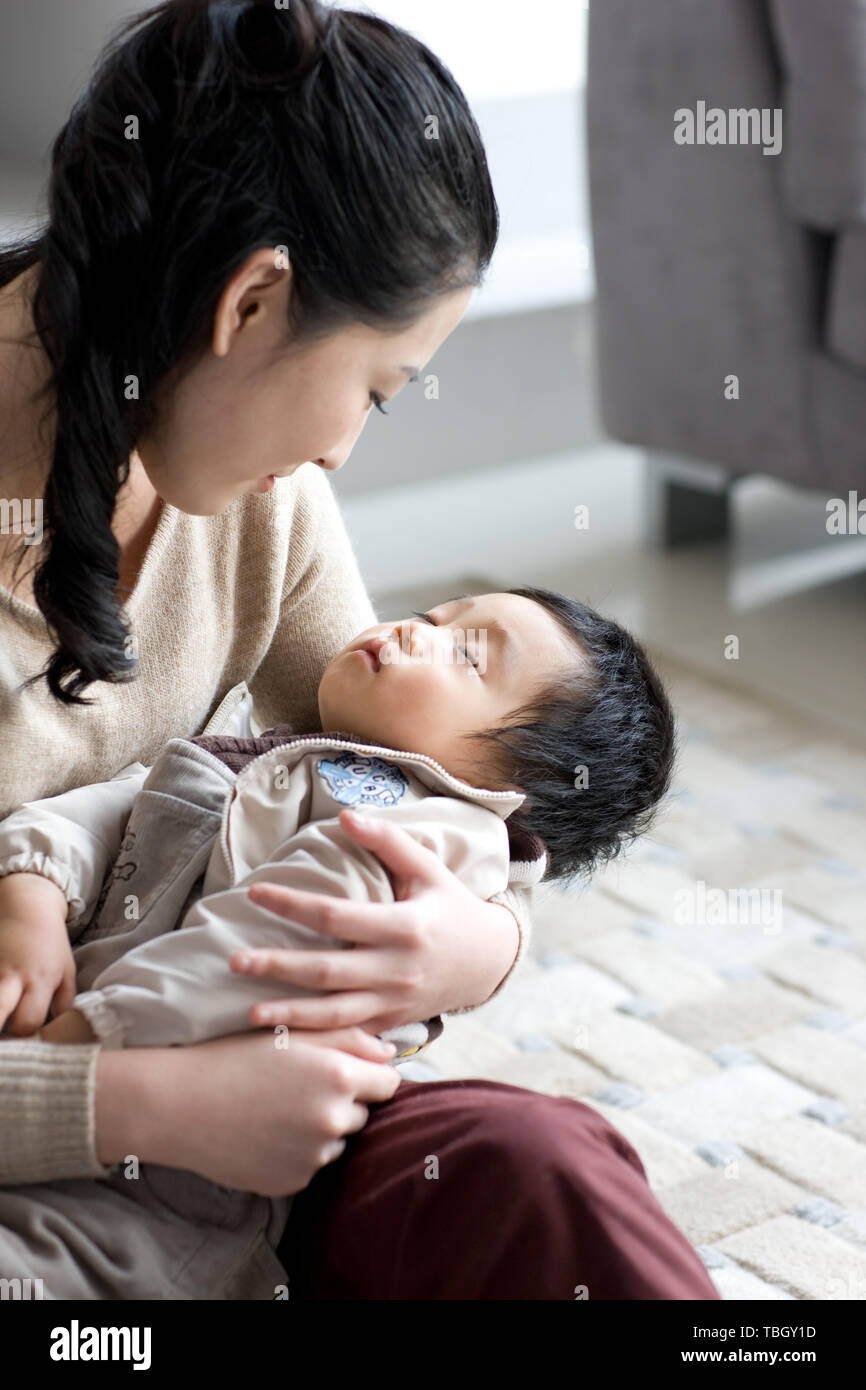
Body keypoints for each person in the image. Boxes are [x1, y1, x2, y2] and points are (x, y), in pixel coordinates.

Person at [0, 0, 719, 1298]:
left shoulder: (250, 493)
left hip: (210, 1161)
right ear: (253, 298)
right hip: (70, 1147)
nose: (341, 454)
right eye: (377, 390)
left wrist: (473, 946)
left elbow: (441, 768)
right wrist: (134, 1100)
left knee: (533, 1168)